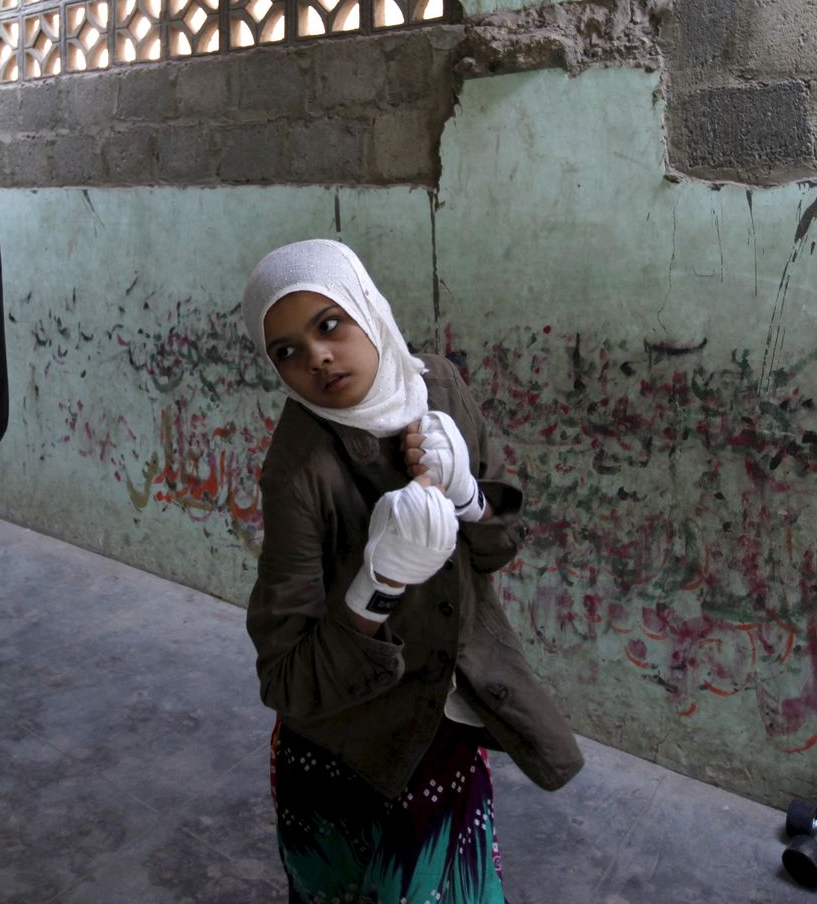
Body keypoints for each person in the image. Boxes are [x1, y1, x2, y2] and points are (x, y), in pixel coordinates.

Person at [243, 238, 583, 903]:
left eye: (328, 324)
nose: (315, 356)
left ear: (368, 310)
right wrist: (376, 589)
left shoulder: (439, 389)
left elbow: (501, 544)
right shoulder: (296, 471)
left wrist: (470, 499)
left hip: (444, 733)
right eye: (287, 351)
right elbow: (285, 676)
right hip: (345, 748)